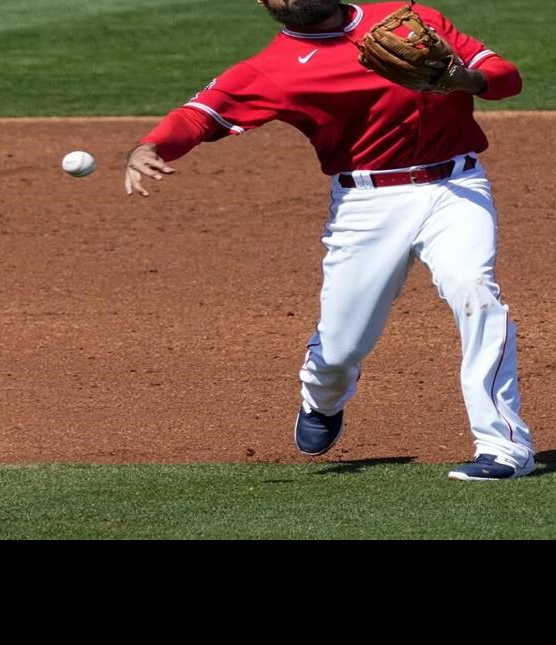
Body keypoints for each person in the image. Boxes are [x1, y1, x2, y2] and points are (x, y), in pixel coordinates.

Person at [124, 0, 534, 480]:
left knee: (474, 291)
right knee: (341, 349)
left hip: (455, 186)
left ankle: (503, 448)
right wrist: (150, 146)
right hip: (365, 205)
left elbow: (506, 77)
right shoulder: (272, 69)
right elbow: (199, 115)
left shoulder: (408, 18)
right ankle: (322, 394)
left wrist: (467, 81)